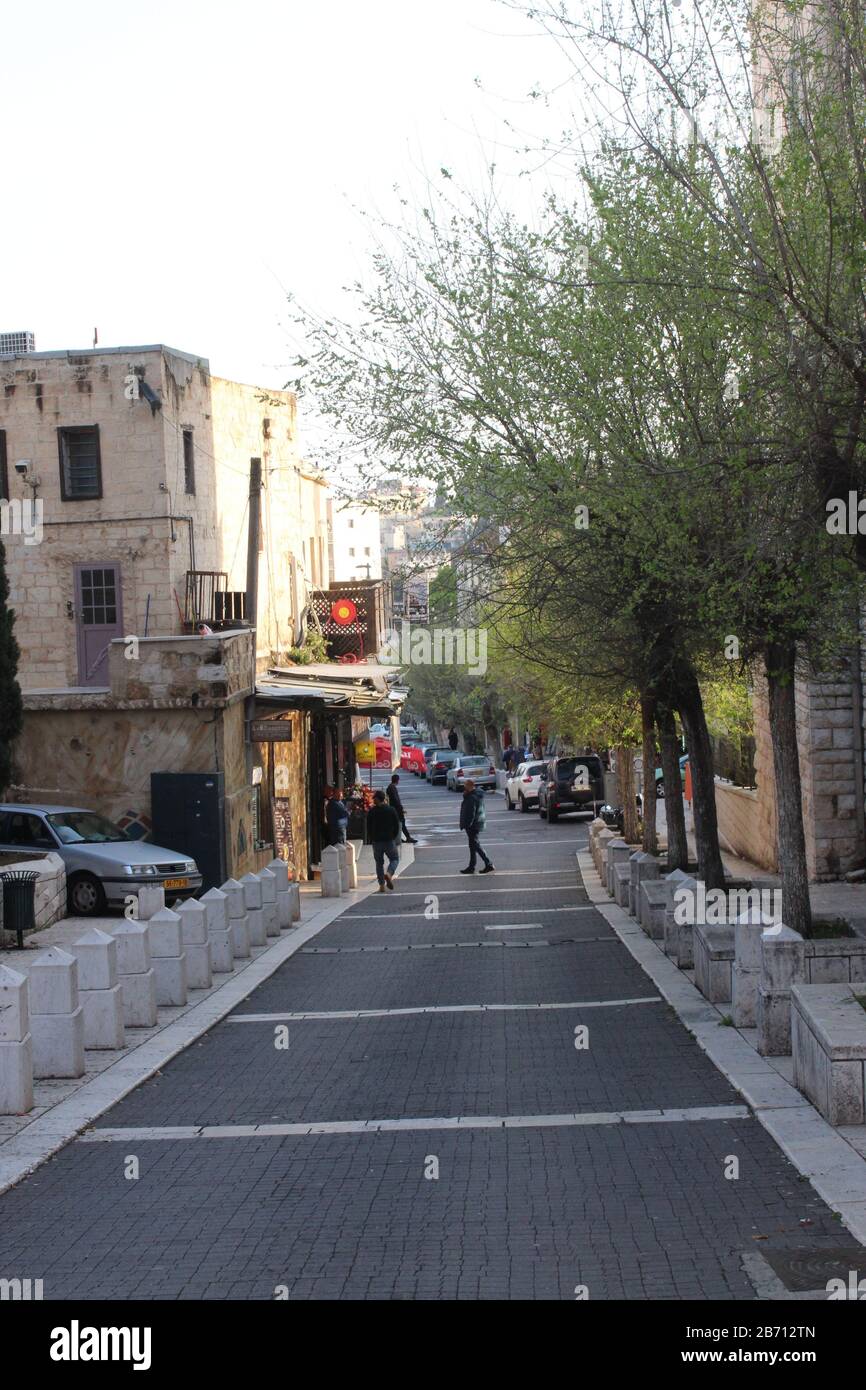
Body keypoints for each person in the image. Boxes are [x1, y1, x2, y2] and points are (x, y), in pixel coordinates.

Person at [367, 788, 401, 892]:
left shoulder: (372, 811)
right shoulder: (391, 810)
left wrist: (371, 837)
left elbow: (368, 826)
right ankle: (389, 873)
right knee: (395, 859)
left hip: (377, 841)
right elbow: (396, 825)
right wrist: (393, 836)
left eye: (374, 798)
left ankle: (381, 885)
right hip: (388, 840)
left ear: (377, 799)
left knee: (379, 863)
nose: (373, 800)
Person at [459, 779, 494, 875]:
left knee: (476, 845)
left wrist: (467, 825)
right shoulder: (474, 795)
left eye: (465, 787)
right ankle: (472, 866)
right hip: (476, 823)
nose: (464, 788)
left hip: (473, 825)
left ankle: (488, 863)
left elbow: (471, 813)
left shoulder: (472, 797)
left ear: (470, 787)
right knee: (473, 846)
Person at [386, 773, 417, 843]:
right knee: (401, 823)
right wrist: (401, 809)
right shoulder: (392, 788)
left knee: (398, 824)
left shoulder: (390, 787)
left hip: (395, 809)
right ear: (397, 781)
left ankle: (401, 837)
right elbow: (396, 800)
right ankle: (406, 837)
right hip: (396, 810)